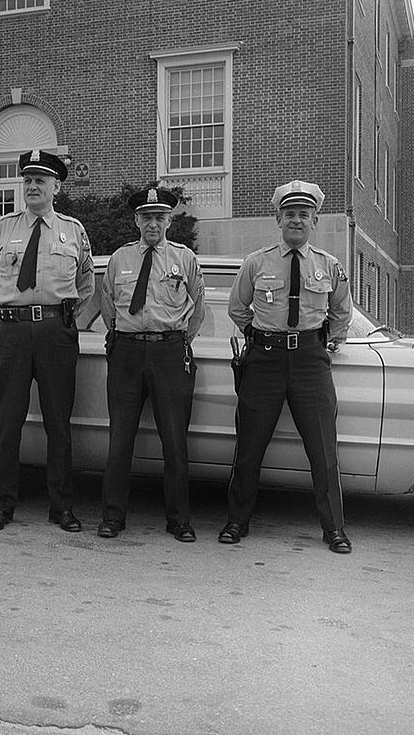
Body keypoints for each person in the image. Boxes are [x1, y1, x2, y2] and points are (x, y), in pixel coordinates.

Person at [220, 180, 353, 553]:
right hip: (264, 359)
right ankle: (236, 521)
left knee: (323, 449)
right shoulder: (256, 262)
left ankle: (334, 530)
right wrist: (258, 336)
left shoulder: (329, 265)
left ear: (315, 221)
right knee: (249, 445)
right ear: (277, 219)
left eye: (304, 215)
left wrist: (330, 339)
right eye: (290, 214)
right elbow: (237, 307)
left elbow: (342, 309)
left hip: (311, 361)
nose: (297, 220)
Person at [0, 149, 94, 532]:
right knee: (7, 420)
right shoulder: (2, 228)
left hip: (55, 334)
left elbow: (86, 286)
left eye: (40, 180)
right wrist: (5, 315)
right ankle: (2, 504)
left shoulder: (73, 231)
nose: (31, 187)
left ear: (56, 186)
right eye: (27, 180)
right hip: (12, 332)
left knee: (58, 423)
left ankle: (61, 507)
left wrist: (58, 321)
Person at [97, 187, 205, 541]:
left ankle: (179, 520)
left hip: (169, 352)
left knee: (174, 441)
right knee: (120, 439)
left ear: (169, 220)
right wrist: (119, 337)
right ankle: (113, 516)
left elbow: (198, 307)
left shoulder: (184, 258)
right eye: (146, 217)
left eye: (159, 217)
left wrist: (180, 342)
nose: (153, 223)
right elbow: (107, 302)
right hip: (127, 352)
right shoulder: (120, 259)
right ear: (136, 221)